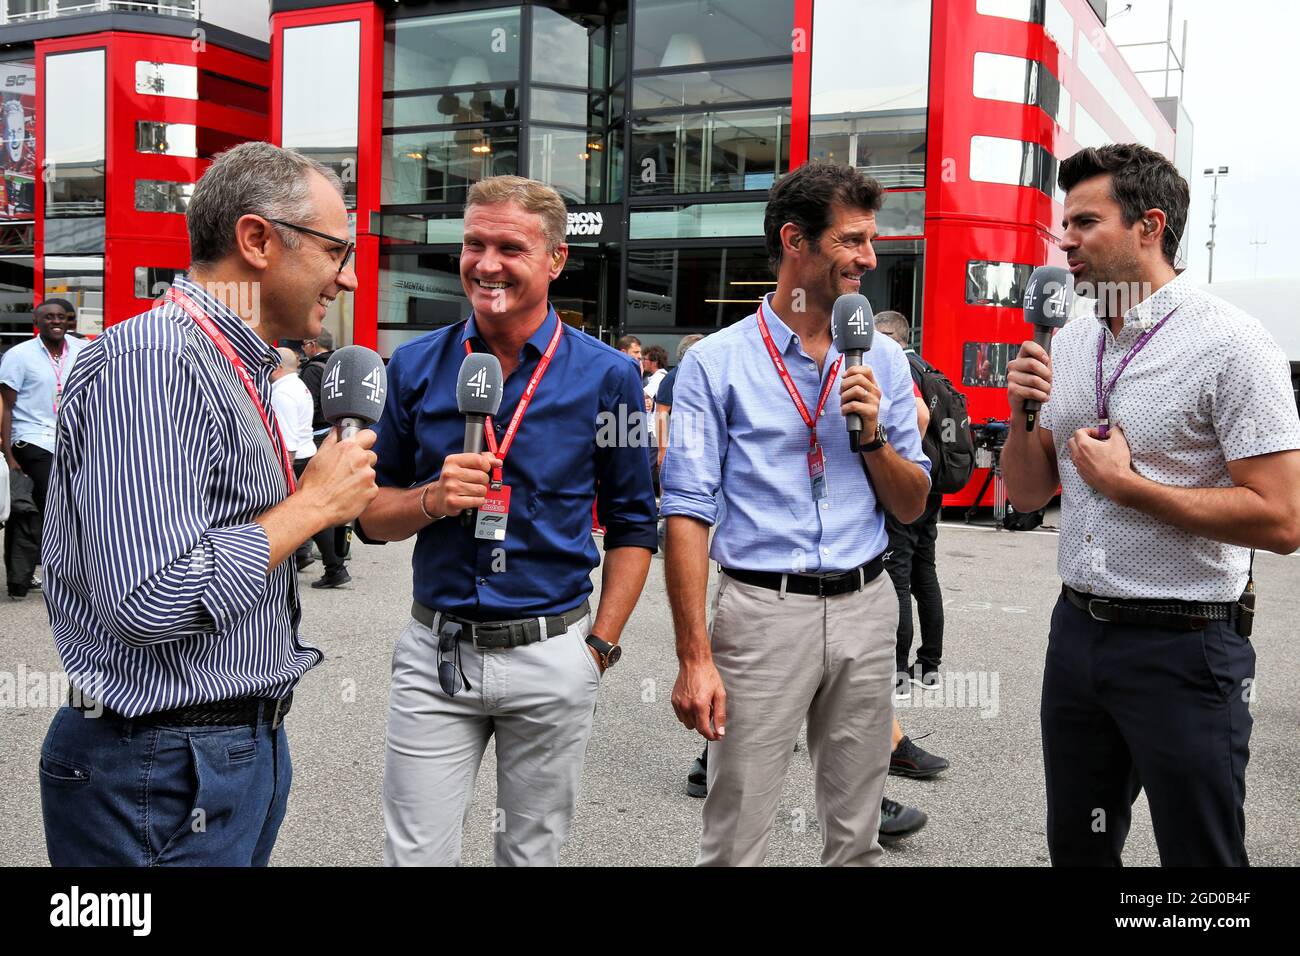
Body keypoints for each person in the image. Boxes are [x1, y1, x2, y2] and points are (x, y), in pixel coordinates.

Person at [37, 141, 379, 867]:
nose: (347, 279)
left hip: (213, 751)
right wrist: (311, 506)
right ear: (256, 239)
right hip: (161, 764)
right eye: (335, 251)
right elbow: (148, 597)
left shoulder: (230, 363)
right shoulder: (156, 361)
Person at [1003, 143, 1300, 867]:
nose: (1064, 240)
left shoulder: (1232, 344)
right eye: (1062, 224)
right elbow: (1027, 492)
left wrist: (1128, 486)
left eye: (1085, 222)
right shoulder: (1068, 342)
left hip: (1186, 644)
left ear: (1149, 225)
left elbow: (1283, 518)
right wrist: (1020, 415)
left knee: (1199, 860)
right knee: (1078, 845)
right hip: (1077, 634)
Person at [358, 175, 657, 867]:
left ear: (555, 259)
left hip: (552, 653)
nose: (486, 264)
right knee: (414, 858)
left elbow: (635, 525)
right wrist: (432, 497)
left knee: (531, 856)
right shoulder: (412, 367)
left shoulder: (607, 378)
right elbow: (371, 519)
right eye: (474, 244)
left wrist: (599, 649)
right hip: (437, 654)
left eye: (509, 247)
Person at [662, 162, 932, 866]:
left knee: (857, 838)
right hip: (760, 610)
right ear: (794, 241)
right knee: (736, 837)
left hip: (867, 606)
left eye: (871, 241)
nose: (869, 259)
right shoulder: (712, 364)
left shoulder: (888, 364)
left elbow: (910, 502)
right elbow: (686, 510)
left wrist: (871, 433)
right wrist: (694, 656)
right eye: (852, 241)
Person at [874, 310, 945, 691]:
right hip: (932, 485)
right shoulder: (926, 365)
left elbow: (917, 416)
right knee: (924, 573)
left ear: (887, 335)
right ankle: (929, 664)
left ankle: (898, 673)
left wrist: (900, 462)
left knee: (898, 578)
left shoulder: (897, 365)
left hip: (909, 482)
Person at [1, 297, 85, 598]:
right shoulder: (19, 356)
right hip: (31, 438)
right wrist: (9, 454)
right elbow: (6, 408)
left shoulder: (82, 350)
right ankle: (49, 570)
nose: (56, 322)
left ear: (70, 321)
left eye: (62, 317)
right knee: (55, 499)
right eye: (49, 317)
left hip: (71, 439)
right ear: (38, 322)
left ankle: (24, 575)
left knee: (32, 510)